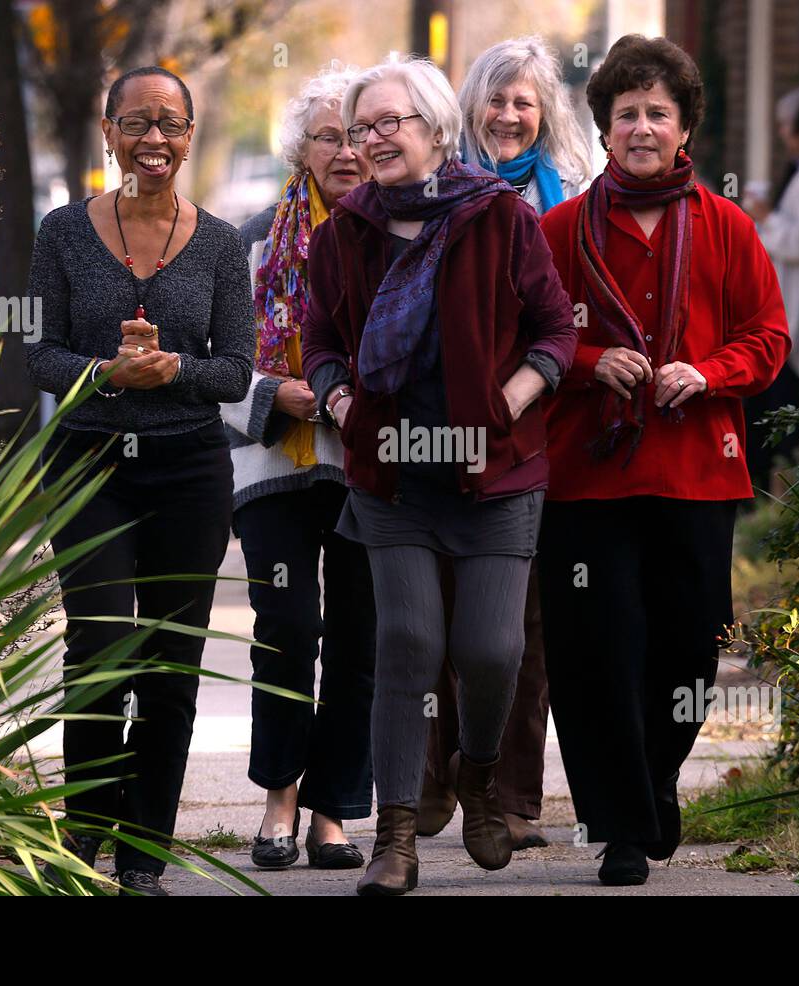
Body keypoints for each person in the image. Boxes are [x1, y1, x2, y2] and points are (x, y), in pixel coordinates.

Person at [301, 56, 578, 895]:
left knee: (491, 650)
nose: (373, 139)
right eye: (361, 128)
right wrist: (342, 403)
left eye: (391, 123)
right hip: (391, 476)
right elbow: (318, 345)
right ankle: (396, 840)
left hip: (493, 472)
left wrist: (513, 396)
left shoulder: (497, 218)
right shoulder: (341, 234)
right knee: (409, 643)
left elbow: (555, 329)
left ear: (433, 129)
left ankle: (481, 776)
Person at [536, 35, 790, 886]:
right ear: (604, 129)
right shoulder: (561, 228)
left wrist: (709, 371)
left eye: (658, 114)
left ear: (684, 130)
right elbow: (521, 339)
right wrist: (583, 362)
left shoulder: (726, 227)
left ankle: (656, 783)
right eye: (626, 115)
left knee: (685, 647)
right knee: (595, 648)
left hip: (696, 471)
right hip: (588, 477)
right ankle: (620, 826)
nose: (641, 128)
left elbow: (770, 340)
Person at [26, 65, 255, 896]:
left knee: (171, 661)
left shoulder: (223, 244)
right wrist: (108, 374)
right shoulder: (62, 232)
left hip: (189, 470)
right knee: (97, 647)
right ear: (108, 131)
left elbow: (235, 372)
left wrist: (172, 372)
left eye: (170, 122)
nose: (152, 138)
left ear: (190, 135)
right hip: (89, 466)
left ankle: (143, 856)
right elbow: (38, 353)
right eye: (135, 122)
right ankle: (83, 839)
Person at [414, 36, 593, 852]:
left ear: (546, 112)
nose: (510, 114)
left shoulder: (572, 204)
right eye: (496, 98)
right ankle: (430, 785)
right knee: (436, 619)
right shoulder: (432, 195)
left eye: (525, 102)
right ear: (470, 108)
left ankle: (513, 795)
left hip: (545, 435)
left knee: (521, 628)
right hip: (443, 434)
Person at [227, 62, 376, 870]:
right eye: (330, 135)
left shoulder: (404, 237)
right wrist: (271, 393)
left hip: (367, 468)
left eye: (360, 133)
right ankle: (280, 794)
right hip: (271, 467)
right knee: (287, 629)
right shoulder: (248, 242)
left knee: (360, 636)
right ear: (301, 149)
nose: (348, 149)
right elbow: (211, 365)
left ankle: (334, 811)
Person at [744, 85, 799, 499]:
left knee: (777, 421)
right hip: (781, 315)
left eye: (788, 125)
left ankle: (769, 505)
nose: (784, 134)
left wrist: (766, 217)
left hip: (793, 320)